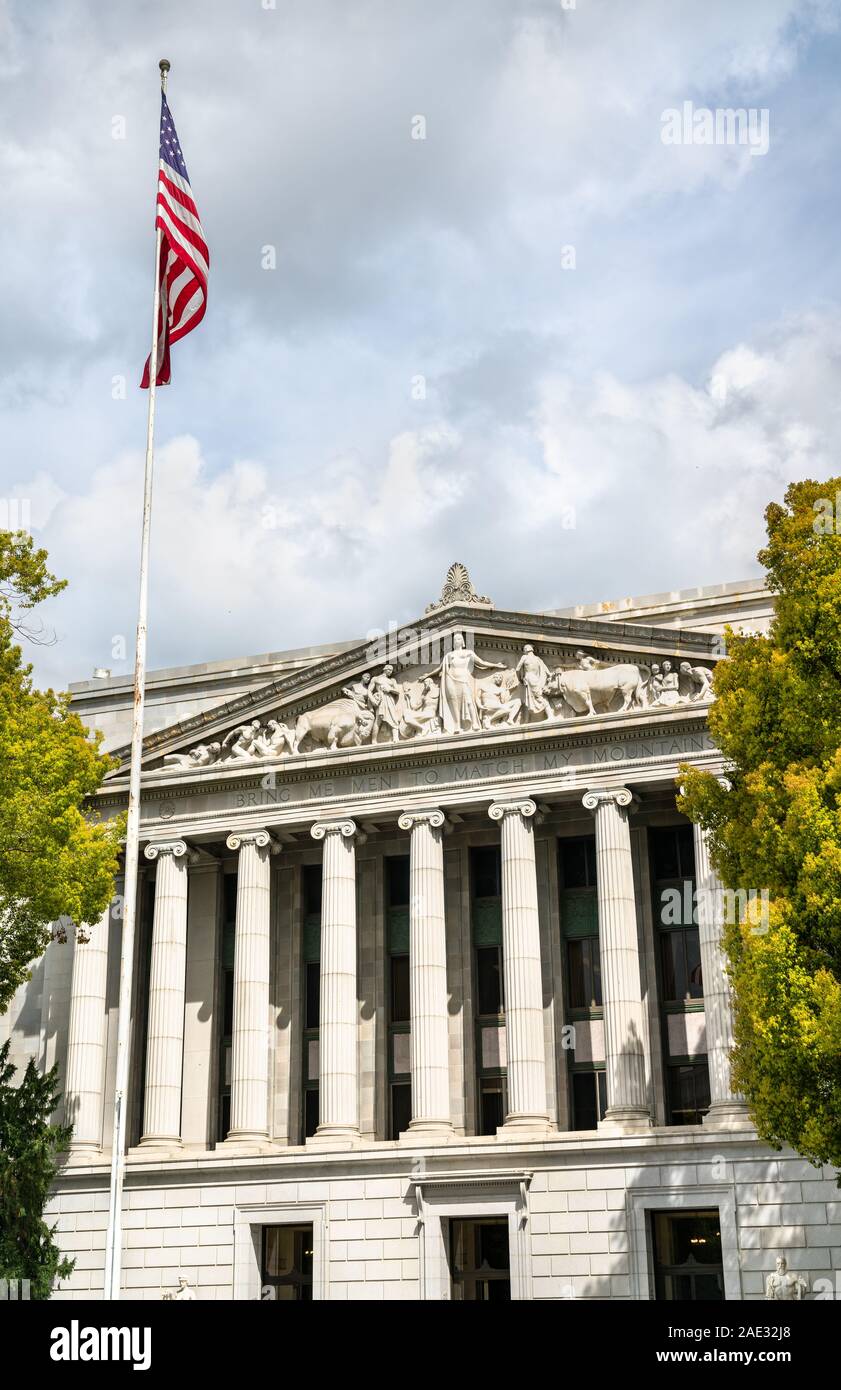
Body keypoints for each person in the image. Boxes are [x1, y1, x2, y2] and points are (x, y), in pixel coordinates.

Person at [432, 633, 505, 734]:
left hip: (464, 680)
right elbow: (440, 669)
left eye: (458, 639)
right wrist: (427, 675)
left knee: (469, 701)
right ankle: (457, 725)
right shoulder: (449, 655)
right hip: (451, 680)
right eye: (455, 639)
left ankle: (474, 722)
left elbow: (481, 662)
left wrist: (496, 665)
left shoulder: (469, 653)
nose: (456, 641)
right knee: (454, 704)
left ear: (462, 642)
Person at [516, 644, 551, 720]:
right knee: (537, 696)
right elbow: (546, 670)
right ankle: (527, 720)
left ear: (526, 650)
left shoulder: (524, 657)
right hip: (537, 679)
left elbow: (517, 669)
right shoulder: (537, 658)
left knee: (538, 697)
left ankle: (550, 716)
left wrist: (520, 679)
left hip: (529, 678)